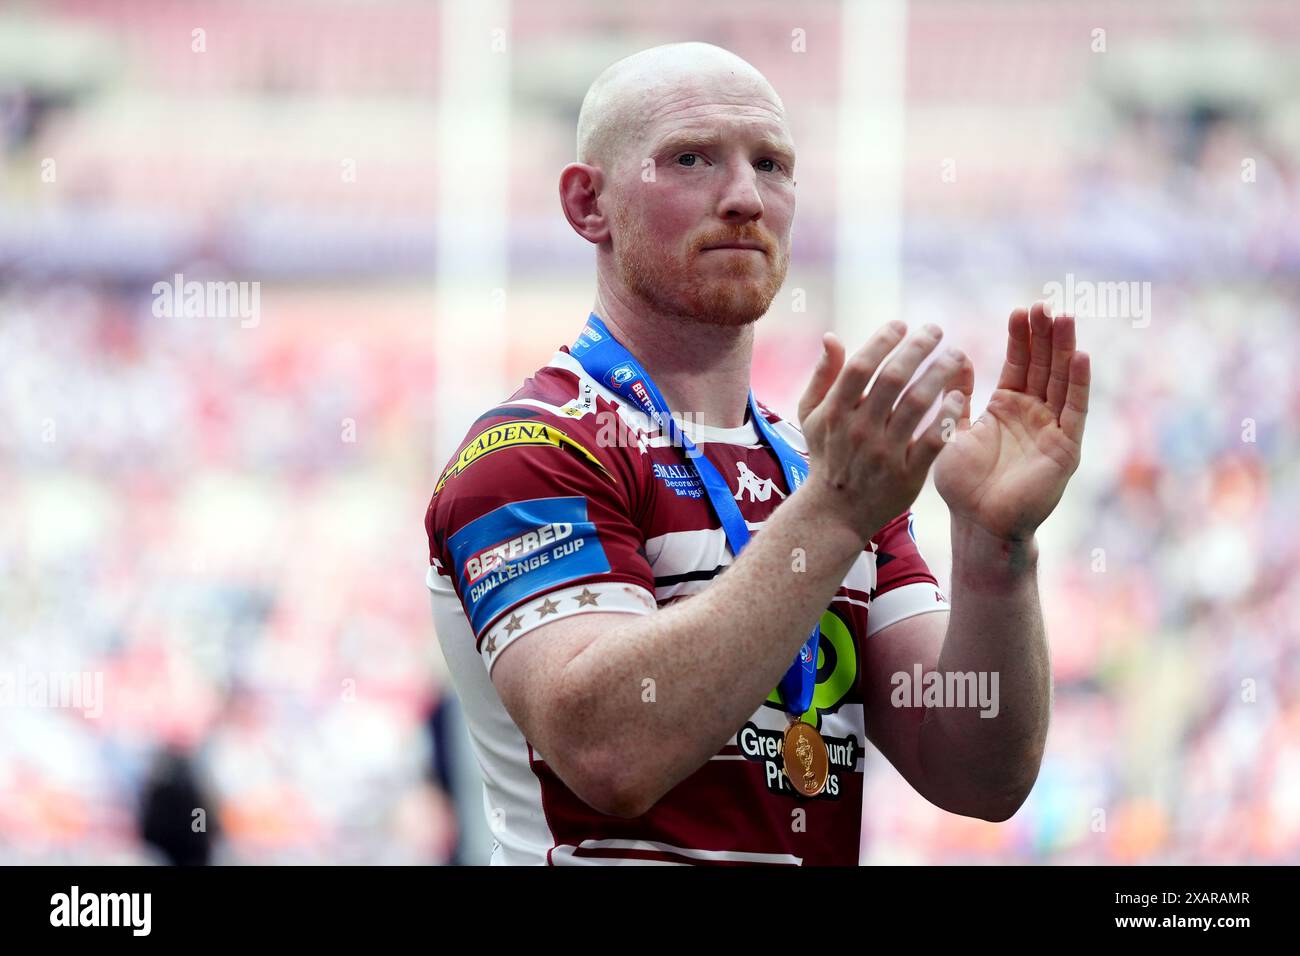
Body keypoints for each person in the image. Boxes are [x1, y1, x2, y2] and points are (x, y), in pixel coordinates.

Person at [424, 42, 1090, 865]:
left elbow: (978, 775)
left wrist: (996, 549)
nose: (744, 197)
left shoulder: (828, 469)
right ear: (586, 203)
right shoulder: (531, 449)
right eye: (691, 159)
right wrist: (836, 510)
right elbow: (610, 753)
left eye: (772, 164)